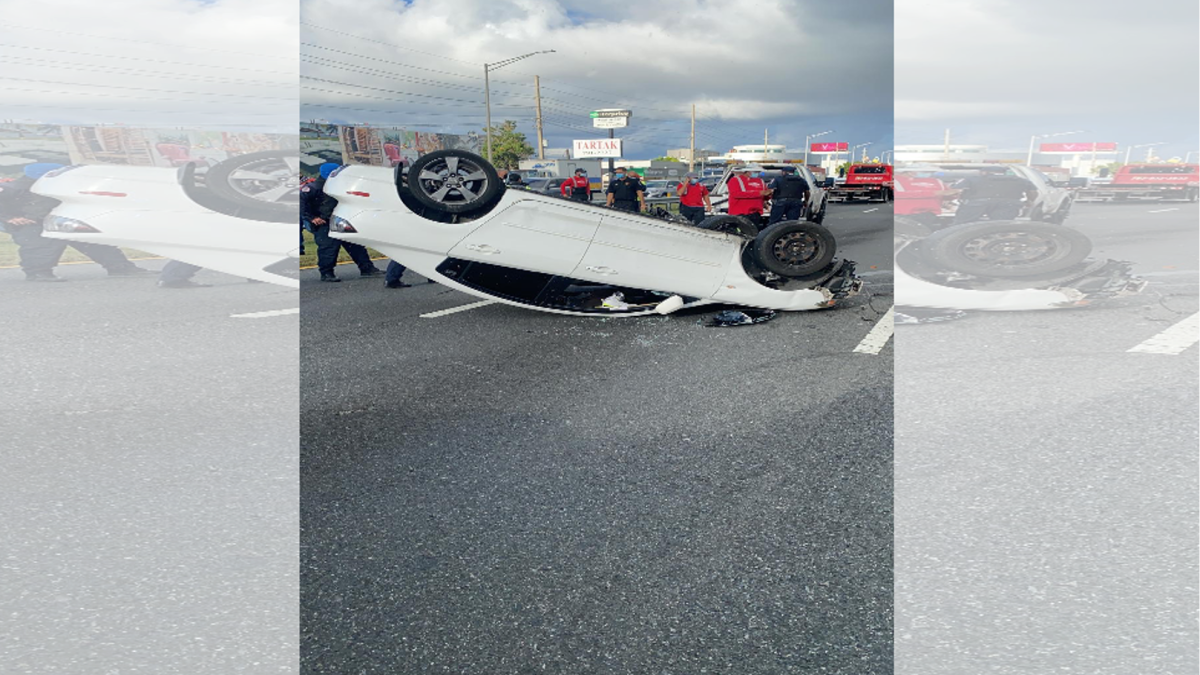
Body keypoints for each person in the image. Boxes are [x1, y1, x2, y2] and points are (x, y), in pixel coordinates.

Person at [0, 163, 153, 282]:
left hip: (59, 219)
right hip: (30, 224)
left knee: (92, 239)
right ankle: (38, 273)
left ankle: (119, 267)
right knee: (41, 245)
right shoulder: (11, 188)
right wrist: (8, 218)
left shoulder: (57, 187)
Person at [301, 162, 383, 282]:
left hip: (341, 219)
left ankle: (367, 269)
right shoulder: (313, 188)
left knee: (356, 245)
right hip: (324, 222)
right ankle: (327, 273)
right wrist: (311, 218)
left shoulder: (339, 186)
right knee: (328, 248)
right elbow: (301, 204)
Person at [949, 169, 1039, 224]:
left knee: (963, 225)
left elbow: (956, 190)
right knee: (1001, 226)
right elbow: (1033, 192)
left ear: (984, 172)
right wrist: (1029, 201)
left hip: (976, 204)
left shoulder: (972, 179)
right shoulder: (1020, 180)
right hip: (1009, 203)